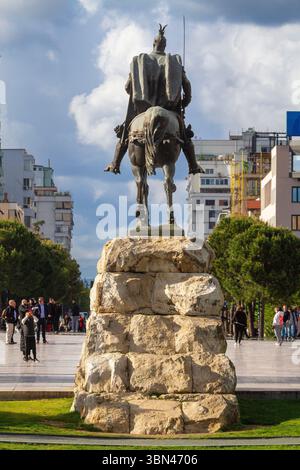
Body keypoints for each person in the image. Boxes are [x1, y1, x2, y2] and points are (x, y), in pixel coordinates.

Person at [105, 24, 204, 176]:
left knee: (125, 134)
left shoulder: (140, 61)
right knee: (184, 136)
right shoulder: (173, 61)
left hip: (143, 109)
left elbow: (127, 87)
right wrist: (186, 101)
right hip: (170, 108)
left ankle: (115, 163)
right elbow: (187, 84)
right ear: (164, 45)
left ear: (153, 44)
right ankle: (193, 165)